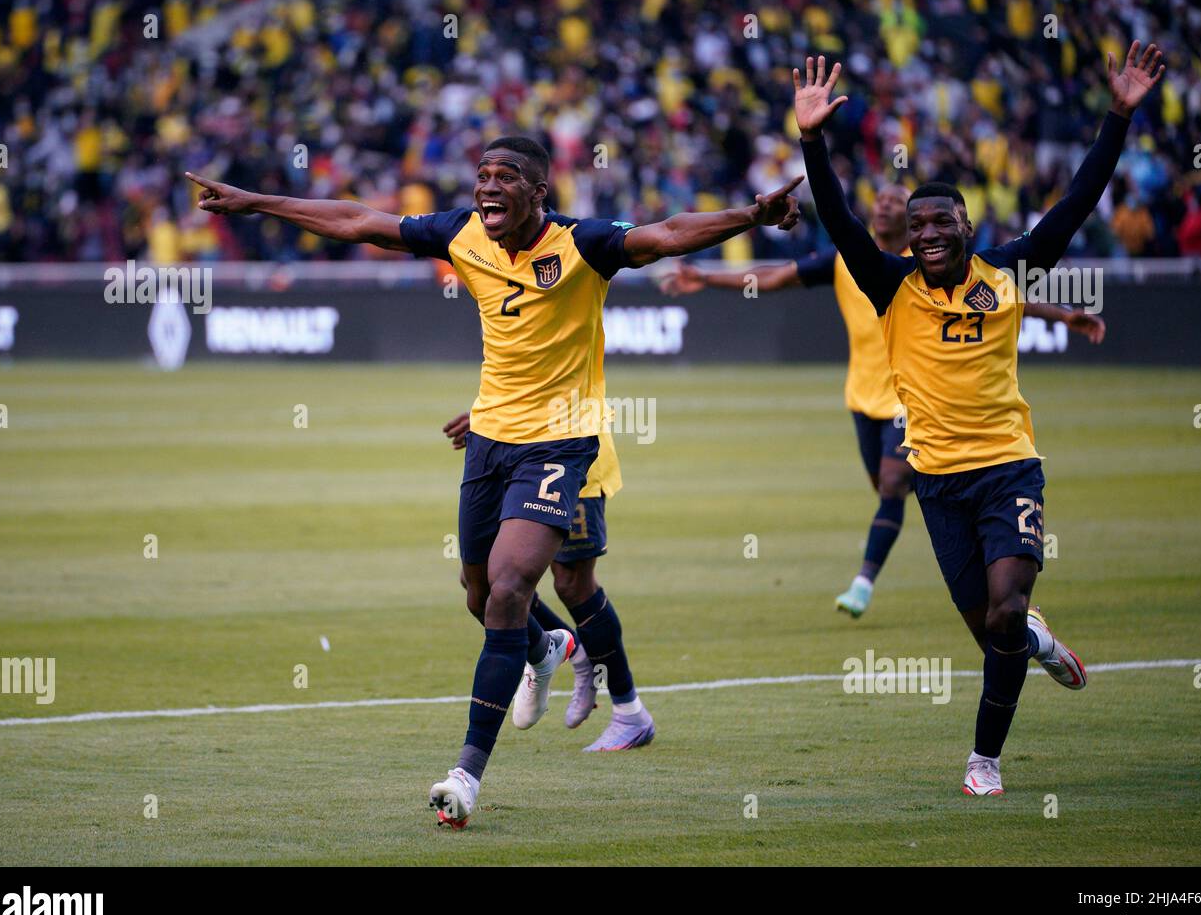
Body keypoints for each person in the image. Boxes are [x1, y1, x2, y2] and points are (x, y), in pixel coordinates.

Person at [187, 137, 803, 826]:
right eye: (482, 174)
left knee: (516, 588)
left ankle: (467, 776)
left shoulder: (583, 245)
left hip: (561, 446)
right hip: (488, 442)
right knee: (476, 594)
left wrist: (752, 215)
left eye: (506, 175)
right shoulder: (462, 233)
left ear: (539, 191)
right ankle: (548, 647)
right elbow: (358, 221)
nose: (489, 185)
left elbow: (666, 235)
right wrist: (255, 203)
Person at [792, 42, 1163, 795]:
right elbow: (838, 220)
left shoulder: (1008, 270)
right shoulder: (890, 285)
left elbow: (1074, 206)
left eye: (941, 223)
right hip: (936, 480)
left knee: (1006, 604)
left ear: (966, 225)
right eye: (917, 224)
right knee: (991, 632)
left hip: (1007, 468)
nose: (925, 233)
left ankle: (983, 760)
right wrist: (811, 139)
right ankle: (1032, 641)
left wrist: (1118, 119)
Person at [659, 191, 1105, 620]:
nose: (886, 206)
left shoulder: (928, 272)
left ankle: (865, 581)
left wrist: (1063, 314)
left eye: (896, 201)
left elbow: (1000, 296)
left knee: (893, 483)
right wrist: (705, 277)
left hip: (910, 402)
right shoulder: (850, 265)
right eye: (882, 201)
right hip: (861, 397)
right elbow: (772, 278)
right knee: (887, 490)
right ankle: (968, 531)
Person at [442, 413, 649, 751]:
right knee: (485, 579)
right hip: (518, 448)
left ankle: (629, 712)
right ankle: (569, 653)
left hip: (570, 451)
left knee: (573, 583)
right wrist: (490, 414)